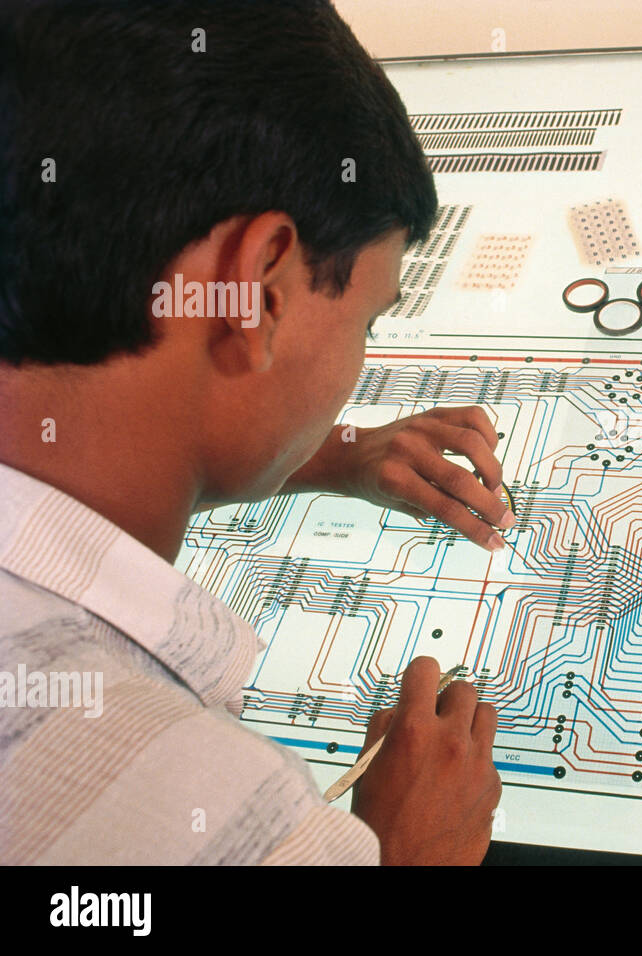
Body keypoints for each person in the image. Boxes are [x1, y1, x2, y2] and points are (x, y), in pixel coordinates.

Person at [0, 0, 506, 864]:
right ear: (257, 288)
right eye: (368, 321)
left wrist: (322, 453)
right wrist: (406, 850)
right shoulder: (223, 819)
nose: (358, 361)